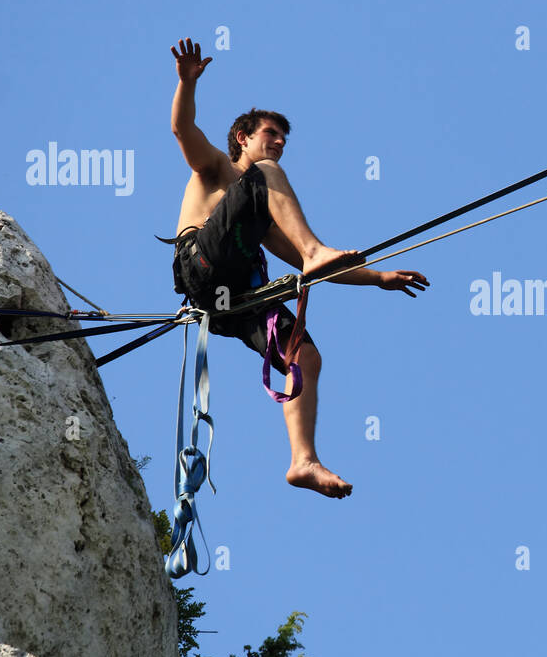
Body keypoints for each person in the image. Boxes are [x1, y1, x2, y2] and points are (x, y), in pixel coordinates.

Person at [161, 37, 429, 499]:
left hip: (234, 302)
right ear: (244, 138)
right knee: (265, 176)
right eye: (271, 134)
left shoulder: (257, 211)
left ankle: (303, 461)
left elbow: (306, 263)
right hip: (202, 266)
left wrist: (379, 279)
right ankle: (316, 246)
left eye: (284, 138)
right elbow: (183, 130)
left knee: (304, 356)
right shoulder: (218, 168)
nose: (280, 143)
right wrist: (186, 84)